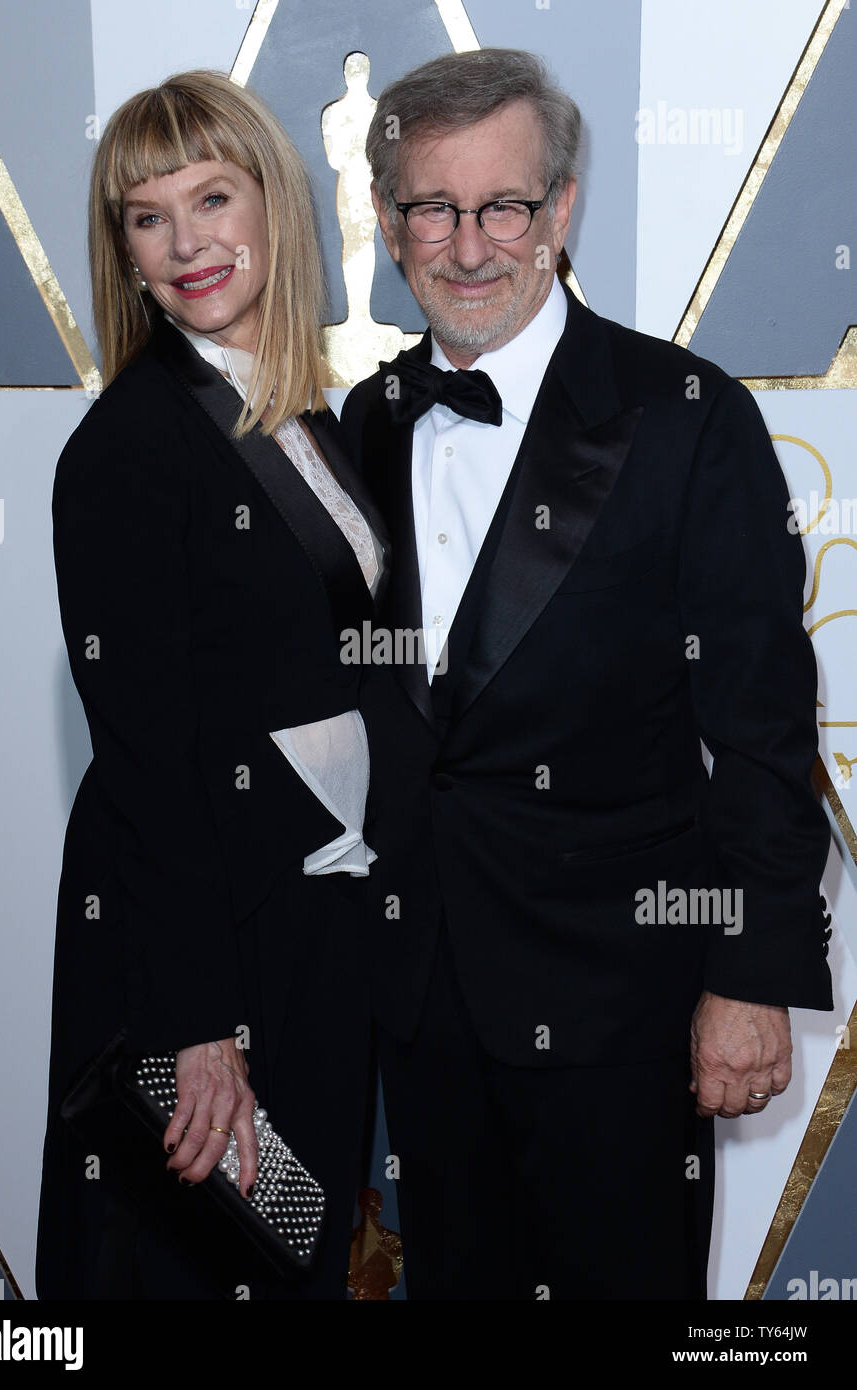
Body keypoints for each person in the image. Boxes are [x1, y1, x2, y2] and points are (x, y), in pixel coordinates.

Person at [341, 47, 833, 1301]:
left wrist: (748, 975)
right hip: (425, 1008)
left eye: (500, 205)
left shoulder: (682, 413)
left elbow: (765, 730)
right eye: (431, 210)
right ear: (390, 227)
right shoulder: (364, 422)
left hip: (627, 1012)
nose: (466, 245)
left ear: (560, 211)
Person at [36, 70, 387, 1300]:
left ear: (272, 208)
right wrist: (199, 1027)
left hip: (312, 921)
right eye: (146, 214)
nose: (185, 242)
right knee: (192, 1267)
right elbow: (146, 753)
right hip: (204, 945)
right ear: (122, 249)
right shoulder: (130, 446)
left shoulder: (304, 416)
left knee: (291, 1253)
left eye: (212, 195)